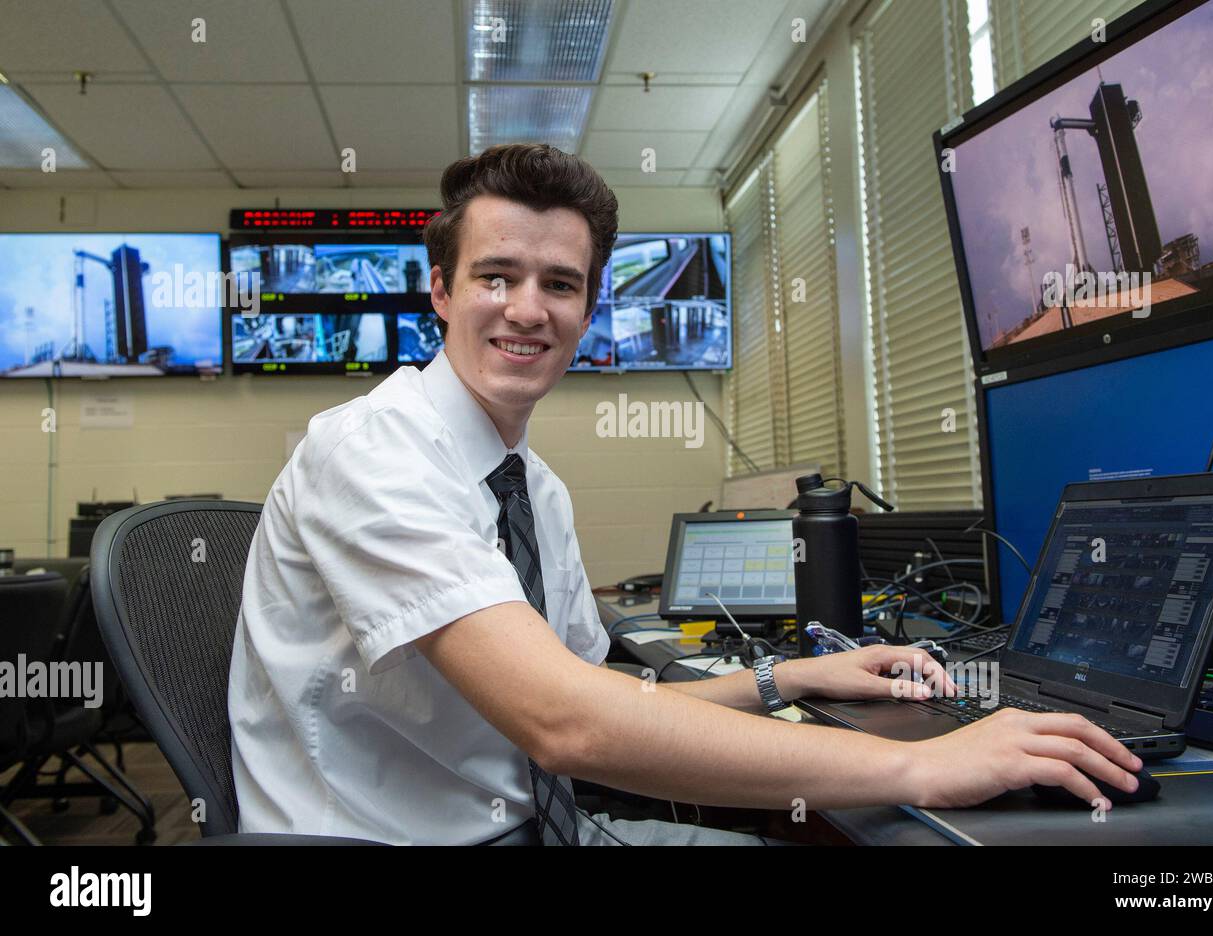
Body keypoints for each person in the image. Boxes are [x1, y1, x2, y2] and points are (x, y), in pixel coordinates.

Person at [228, 143, 1144, 845]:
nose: (527, 309)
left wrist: (789, 675)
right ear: (439, 290)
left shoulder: (531, 487)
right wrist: (923, 766)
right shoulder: (371, 452)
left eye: (560, 284)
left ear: (589, 312)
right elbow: (571, 726)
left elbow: (598, 697)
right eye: (495, 277)